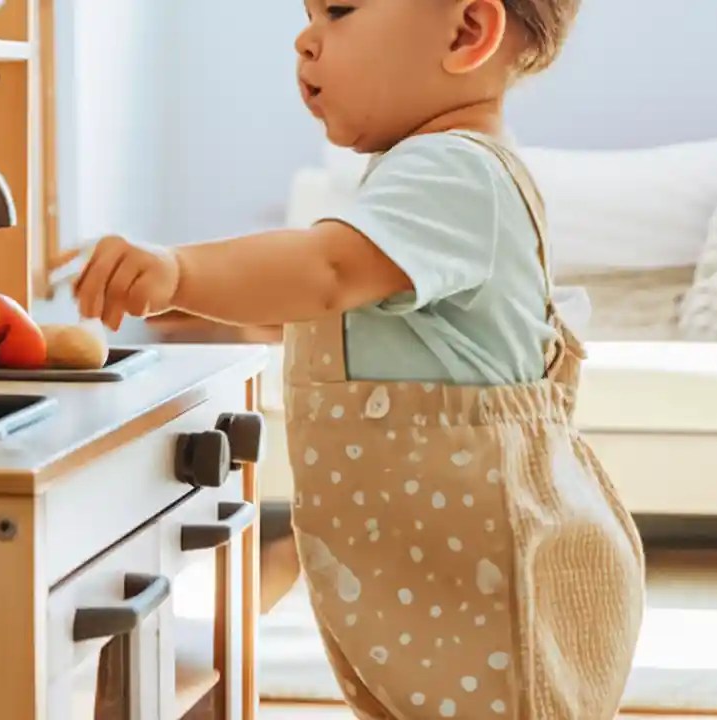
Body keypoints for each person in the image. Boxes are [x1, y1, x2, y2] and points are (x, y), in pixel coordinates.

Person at [73, 0, 647, 716]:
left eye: (339, 11)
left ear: (467, 33)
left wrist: (179, 271)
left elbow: (327, 273)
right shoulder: (427, 175)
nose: (305, 39)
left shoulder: (454, 171)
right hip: (426, 580)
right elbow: (353, 309)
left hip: (489, 592)